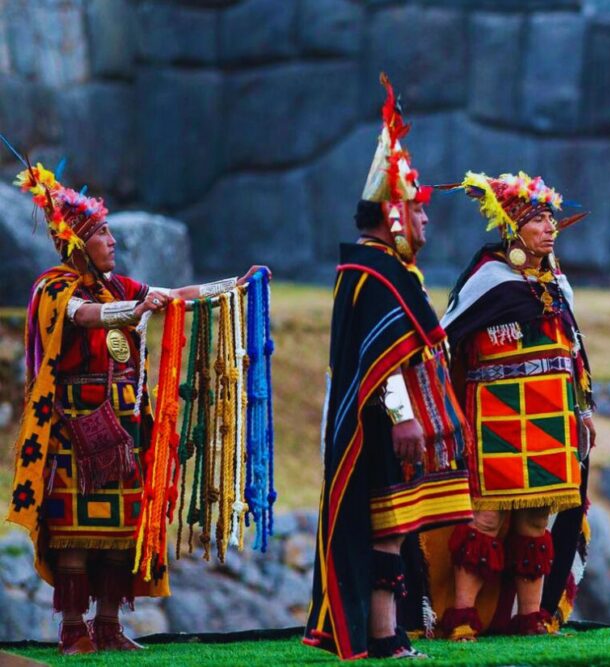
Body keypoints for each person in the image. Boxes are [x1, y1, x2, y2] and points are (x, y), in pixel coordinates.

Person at [5, 161, 260, 654]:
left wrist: (233, 286)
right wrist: (132, 312)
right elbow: (86, 317)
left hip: (124, 426)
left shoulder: (119, 286)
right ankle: (74, 629)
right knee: (75, 532)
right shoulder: (54, 289)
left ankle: (107, 625)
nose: (113, 241)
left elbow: (174, 297)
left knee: (121, 528)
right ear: (78, 242)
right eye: (102, 233)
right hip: (73, 427)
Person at [303, 74, 474, 660]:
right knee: (387, 527)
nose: (426, 223)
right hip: (381, 426)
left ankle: (389, 636)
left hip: (386, 425)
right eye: (417, 213)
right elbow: (383, 364)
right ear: (392, 216)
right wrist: (404, 418)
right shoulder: (374, 273)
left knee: (394, 529)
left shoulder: (377, 269)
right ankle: (385, 638)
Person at [425, 170, 594, 640]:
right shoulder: (488, 281)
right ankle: (462, 615)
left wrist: (583, 409)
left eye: (550, 220)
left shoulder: (560, 285)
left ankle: (530, 616)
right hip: (495, 414)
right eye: (539, 220)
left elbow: (574, 351)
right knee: (486, 517)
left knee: (538, 517)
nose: (549, 228)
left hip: (553, 415)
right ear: (513, 227)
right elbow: (444, 342)